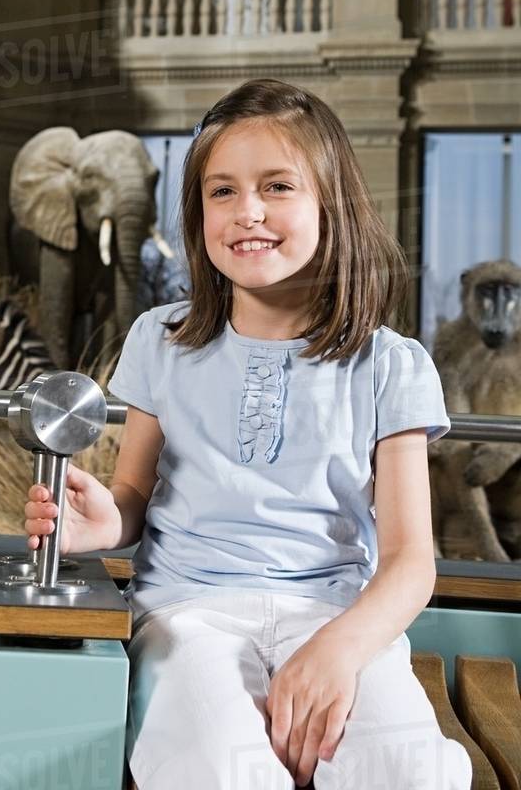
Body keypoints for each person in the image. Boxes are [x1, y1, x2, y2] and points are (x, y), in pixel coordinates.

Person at [24, 78, 473, 790]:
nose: (248, 212)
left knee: (407, 772)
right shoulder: (159, 339)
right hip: (187, 618)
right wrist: (105, 522)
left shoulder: (393, 365)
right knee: (219, 771)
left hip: (337, 617)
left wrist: (338, 651)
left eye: (277, 186)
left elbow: (411, 560)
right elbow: (134, 490)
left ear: (332, 202)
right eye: (222, 191)